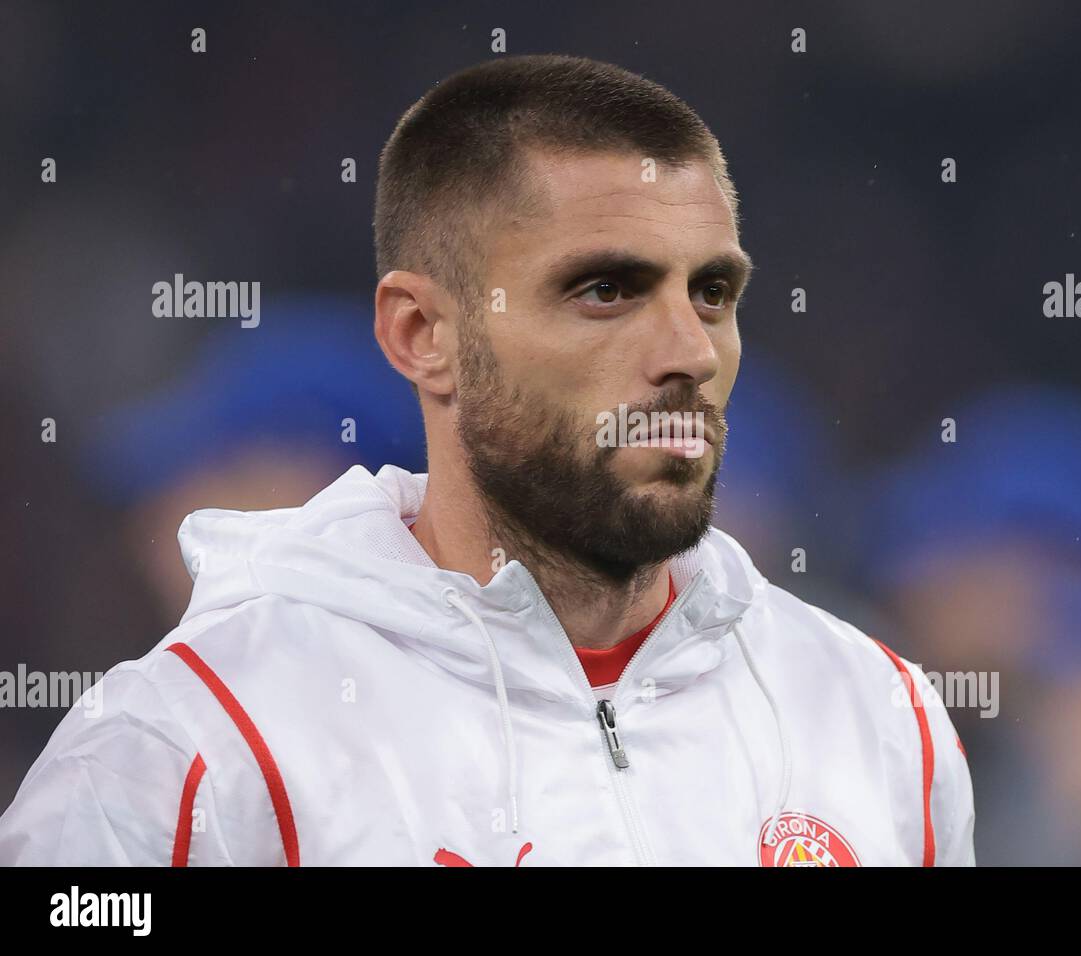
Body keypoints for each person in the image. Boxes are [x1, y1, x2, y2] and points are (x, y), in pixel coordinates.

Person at [0, 54, 973, 866]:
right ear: (424, 333)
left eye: (712, 290)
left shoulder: (878, 714)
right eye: (604, 289)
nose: (691, 348)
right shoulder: (192, 747)